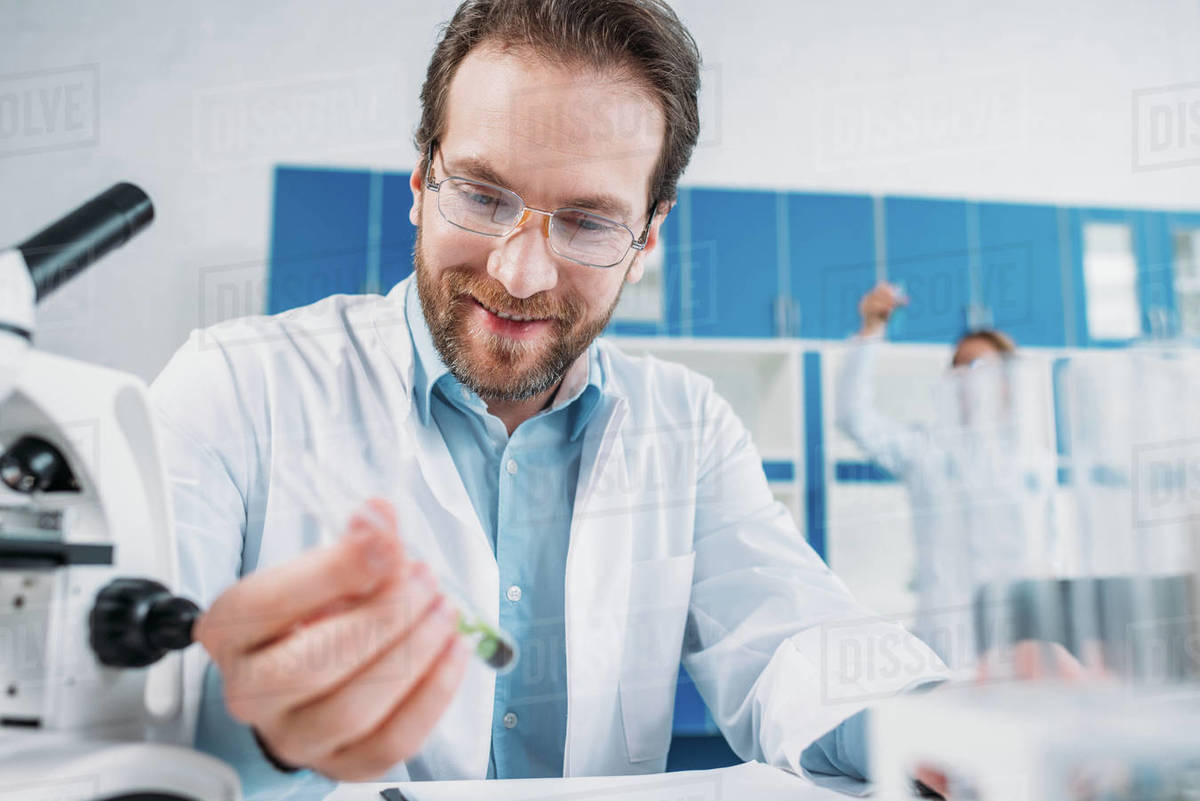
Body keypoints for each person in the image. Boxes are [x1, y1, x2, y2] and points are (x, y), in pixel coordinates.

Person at [151, 3, 946, 796]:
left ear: (647, 241)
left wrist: (937, 726)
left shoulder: (687, 424)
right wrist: (260, 740)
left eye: (589, 222)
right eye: (482, 195)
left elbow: (787, 637)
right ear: (422, 182)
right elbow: (129, 711)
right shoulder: (233, 385)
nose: (519, 274)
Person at [836, 282, 1060, 671]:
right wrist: (870, 331)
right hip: (945, 643)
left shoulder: (1033, 460)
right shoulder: (928, 451)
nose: (963, 378)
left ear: (1009, 379)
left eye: (977, 367)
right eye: (956, 367)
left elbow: (1052, 553)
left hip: (1021, 641)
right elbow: (854, 417)